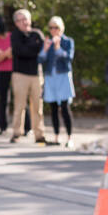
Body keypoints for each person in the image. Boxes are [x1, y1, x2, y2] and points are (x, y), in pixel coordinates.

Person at [10, 9, 48, 144]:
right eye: (20, 20)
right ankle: (16, 132)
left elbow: (43, 52)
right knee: (20, 105)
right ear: (16, 23)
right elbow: (20, 51)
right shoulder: (15, 35)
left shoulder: (37, 34)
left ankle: (39, 134)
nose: (23, 22)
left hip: (36, 74)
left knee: (38, 106)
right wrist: (33, 49)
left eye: (25, 19)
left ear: (30, 20)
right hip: (20, 74)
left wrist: (31, 49)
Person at [39, 16, 75, 147]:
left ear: (61, 28)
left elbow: (68, 58)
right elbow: (40, 60)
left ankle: (70, 137)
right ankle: (56, 137)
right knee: (53, 108)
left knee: (65, 108)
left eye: (56, 27)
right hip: (50, 77)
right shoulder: (47, 41)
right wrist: (45, 49)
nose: (53, 30)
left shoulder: (68, 41)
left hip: (63, 77)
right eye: (51, 27)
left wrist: (58, 48)